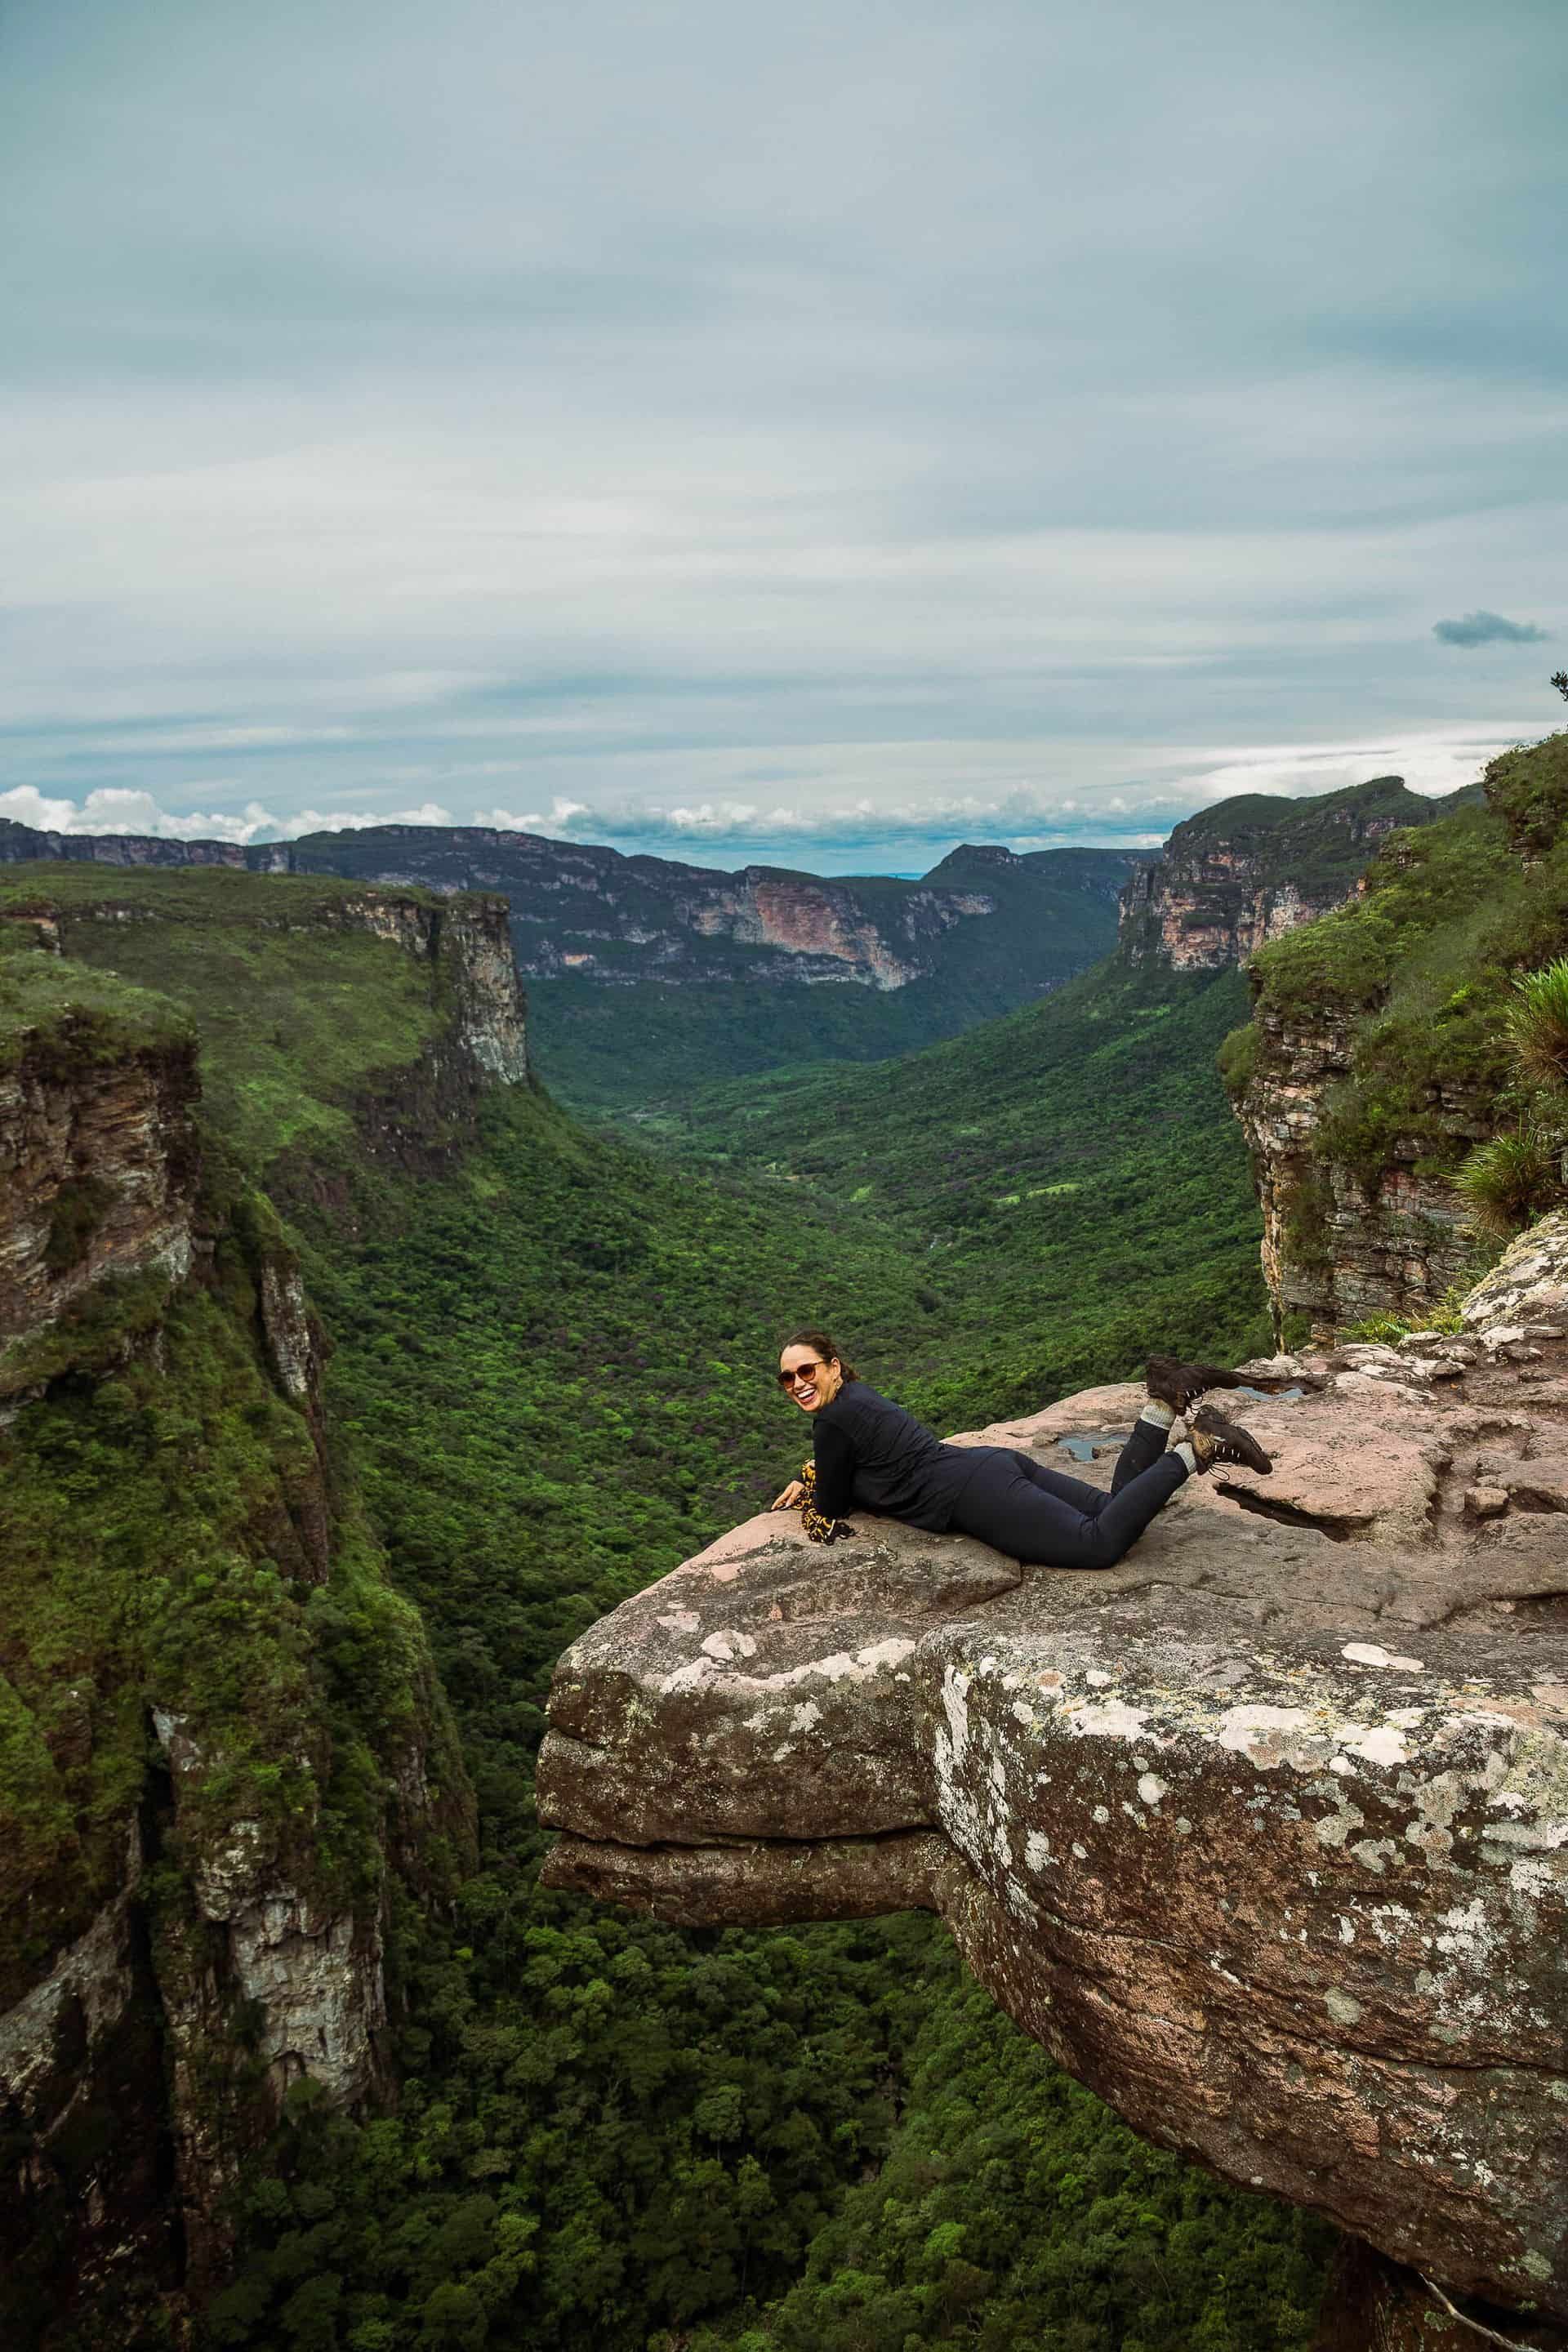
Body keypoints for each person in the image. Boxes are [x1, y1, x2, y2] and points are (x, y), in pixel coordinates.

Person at [769, 1330, 1273, 1570]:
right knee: (1114, 1507)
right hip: (987, 1465)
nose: (797, 1383)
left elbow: (832, 1506)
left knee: (1099, 1545)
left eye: (806, 1371)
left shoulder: (831, 1420)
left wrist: (816, 1478)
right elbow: (863, 1462)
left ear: (833, 1366)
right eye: (787, 1378)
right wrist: (819, 1470)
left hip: (972, 1494)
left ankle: (1199, 1448)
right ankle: (1164, 1401)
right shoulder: (857, 1398)